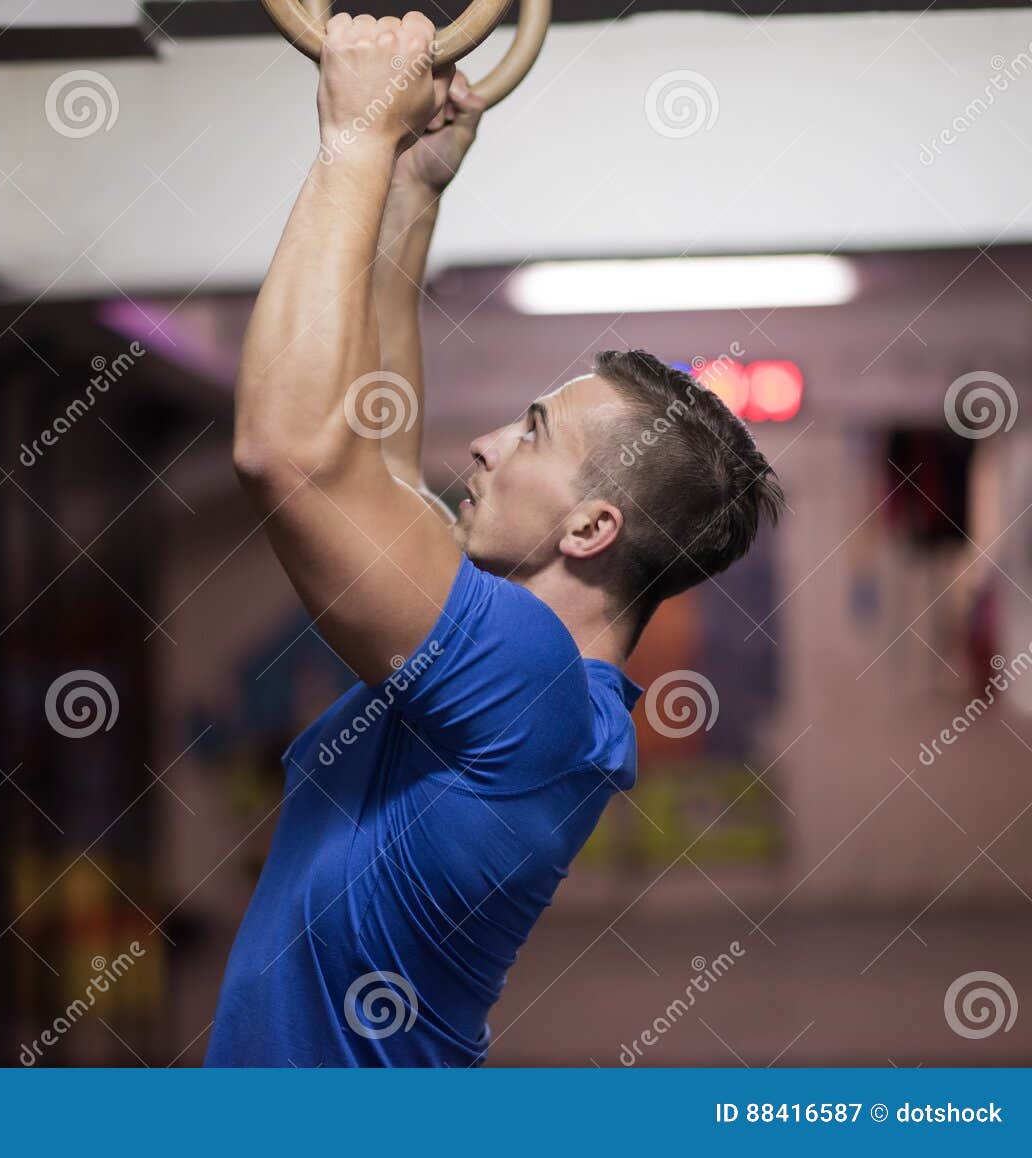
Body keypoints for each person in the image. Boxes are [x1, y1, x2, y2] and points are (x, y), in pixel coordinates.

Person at [207, 11, 784, 1067]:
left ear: (591, 525)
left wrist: (353, 136)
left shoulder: (528, 686)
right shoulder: (551, 686)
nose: (478, 446)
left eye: (529, 435)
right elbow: (373, 463)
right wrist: (410, 188)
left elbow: (288, 456)